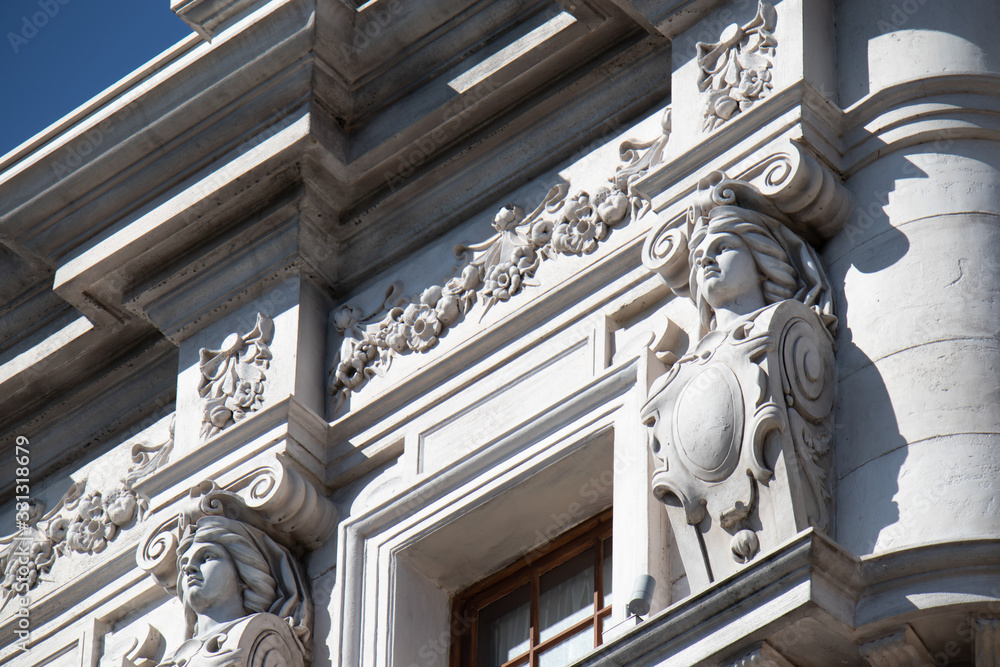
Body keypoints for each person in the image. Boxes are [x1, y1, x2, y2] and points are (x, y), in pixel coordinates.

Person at [158, 515, 311, 667]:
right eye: (184, 566)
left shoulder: (263, 634)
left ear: (243, 575)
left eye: (206, 557)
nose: (189, 570)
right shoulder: (171, 661)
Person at [687, 204, 834, 338]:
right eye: (698, 260)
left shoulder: (789, 328)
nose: (706, 260)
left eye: (722, 248)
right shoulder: (692, 360)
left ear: (762, 266)